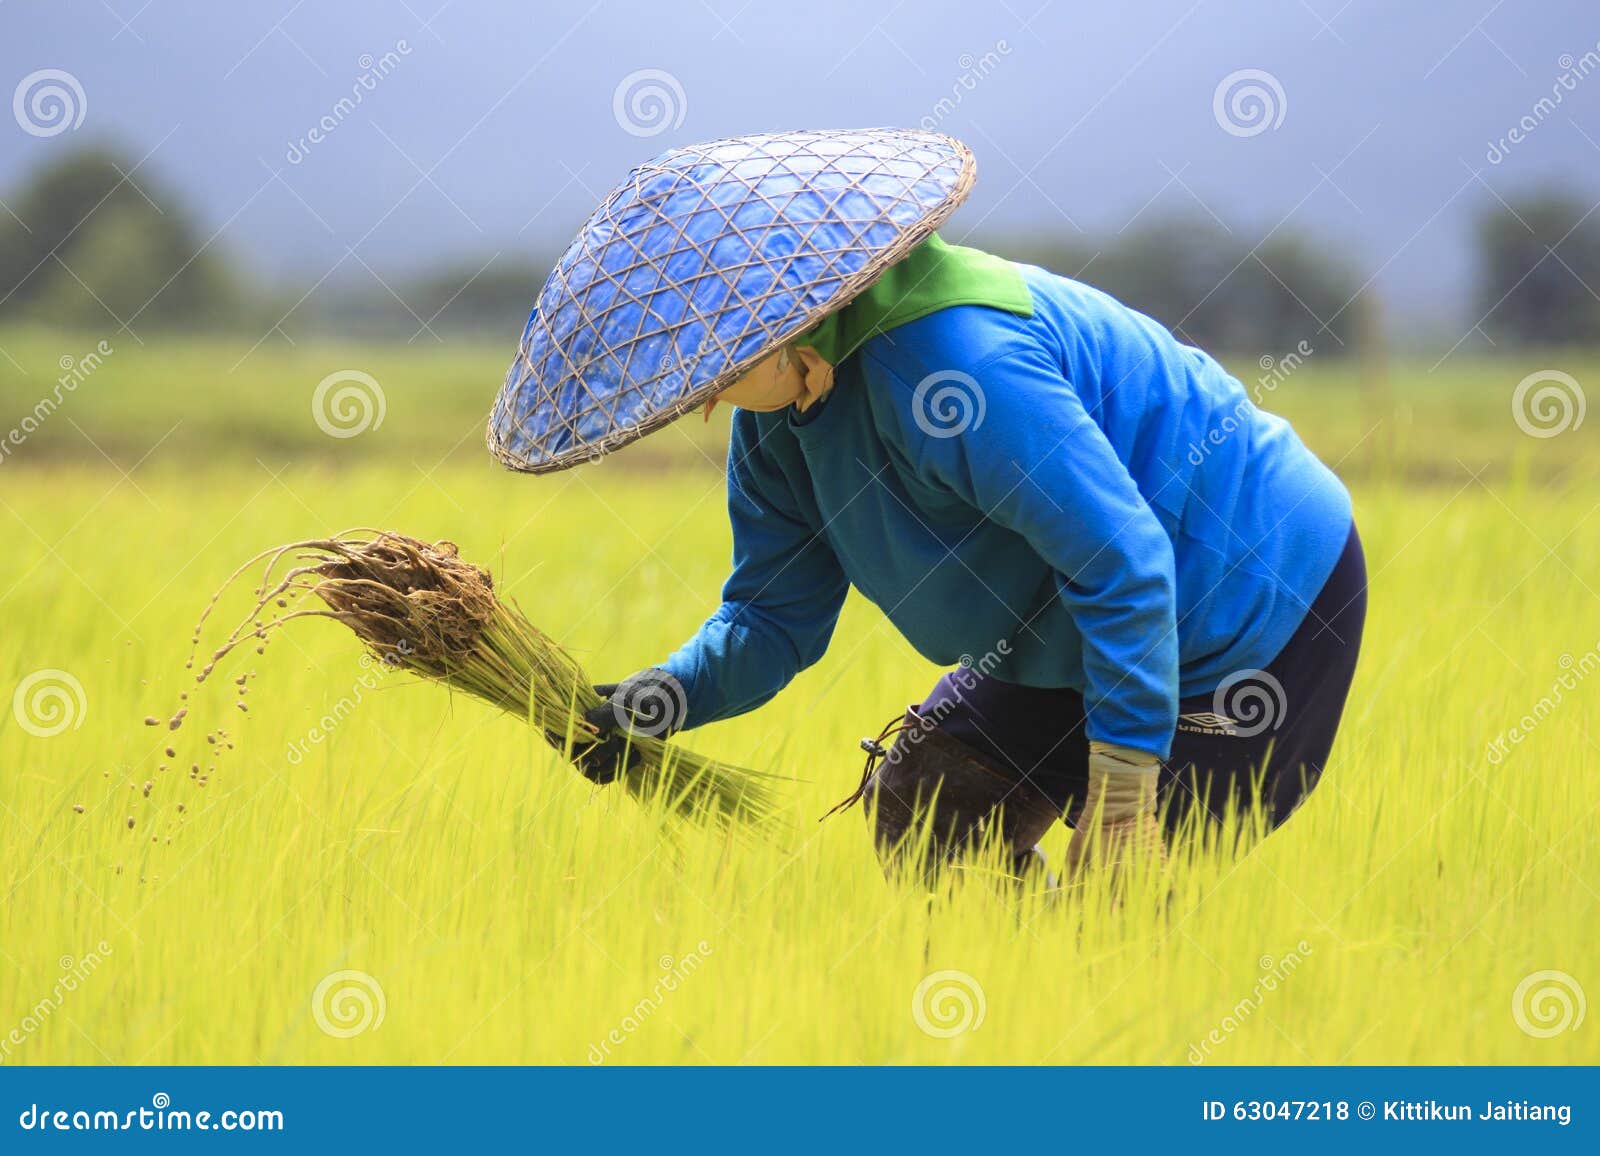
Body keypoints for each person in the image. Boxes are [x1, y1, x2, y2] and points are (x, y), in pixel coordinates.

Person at [488, 128, 1366, 880]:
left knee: (1125, 902)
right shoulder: (779, 423)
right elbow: (770, 617)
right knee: (931, 811)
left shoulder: (959, 365)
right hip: (1071, 620)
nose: (697, 393)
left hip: (1249, 599)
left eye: (714, 358)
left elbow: (1123, 562)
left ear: (789, 320)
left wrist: (1127, 794)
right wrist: (654, 704)